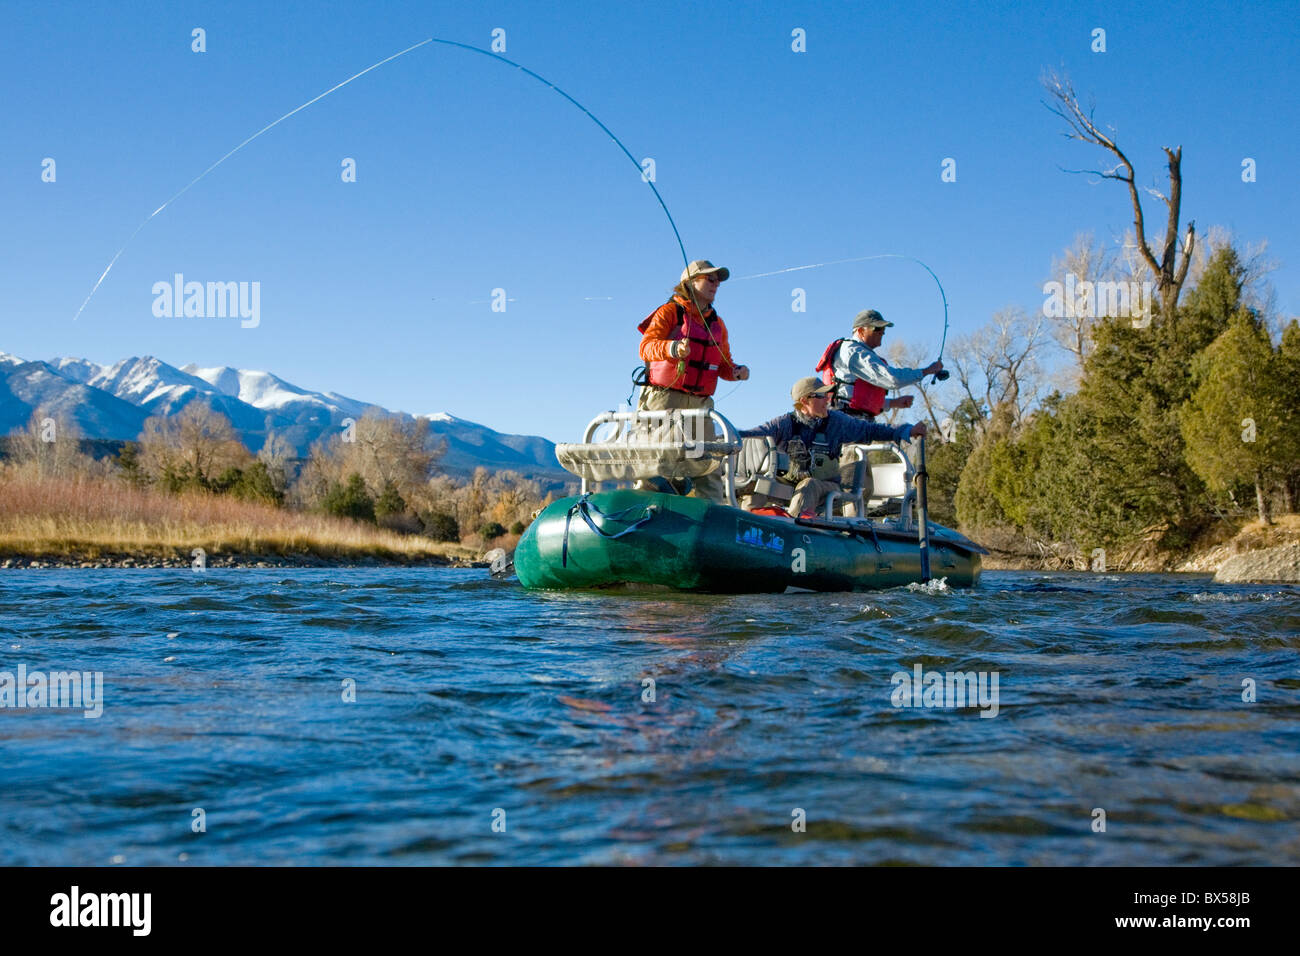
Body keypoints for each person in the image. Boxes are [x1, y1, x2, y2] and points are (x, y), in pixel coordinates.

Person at [636, 259, 749, 500]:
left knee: (706, 467)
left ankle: (714, 521)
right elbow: (645, 347)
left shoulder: (718, 324)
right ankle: (642, 518)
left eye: (718, 280)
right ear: (690, 282)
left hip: (700, 406)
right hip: (663, 401)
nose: (716, 284)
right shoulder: (669, 312)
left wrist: (737, 371)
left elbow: (724, 365)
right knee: (655, 466)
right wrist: (673, 348)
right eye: (710, 278)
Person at [738, 376, 927, 518]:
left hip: (827, 487)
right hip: (789, 484)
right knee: (759, 486)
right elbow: (753, 433)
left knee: (808, 485)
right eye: (821, 396)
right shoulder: (785, 423)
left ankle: (795, 535)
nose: (827, 399)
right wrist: (723, 437)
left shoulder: (837, 422)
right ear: (805, 401)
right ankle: (745, 532)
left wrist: (906, 431)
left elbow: (870, 431)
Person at [815, 309, 943, 420]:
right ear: (860, 331)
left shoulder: (857, 351)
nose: (882, 331)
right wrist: (926, 371)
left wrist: (893, 403)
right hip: (848, 420)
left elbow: (858, 397)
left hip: (854, 420)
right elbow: (893, 379)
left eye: (883, 328)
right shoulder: (854, 351)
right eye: (877, 328)